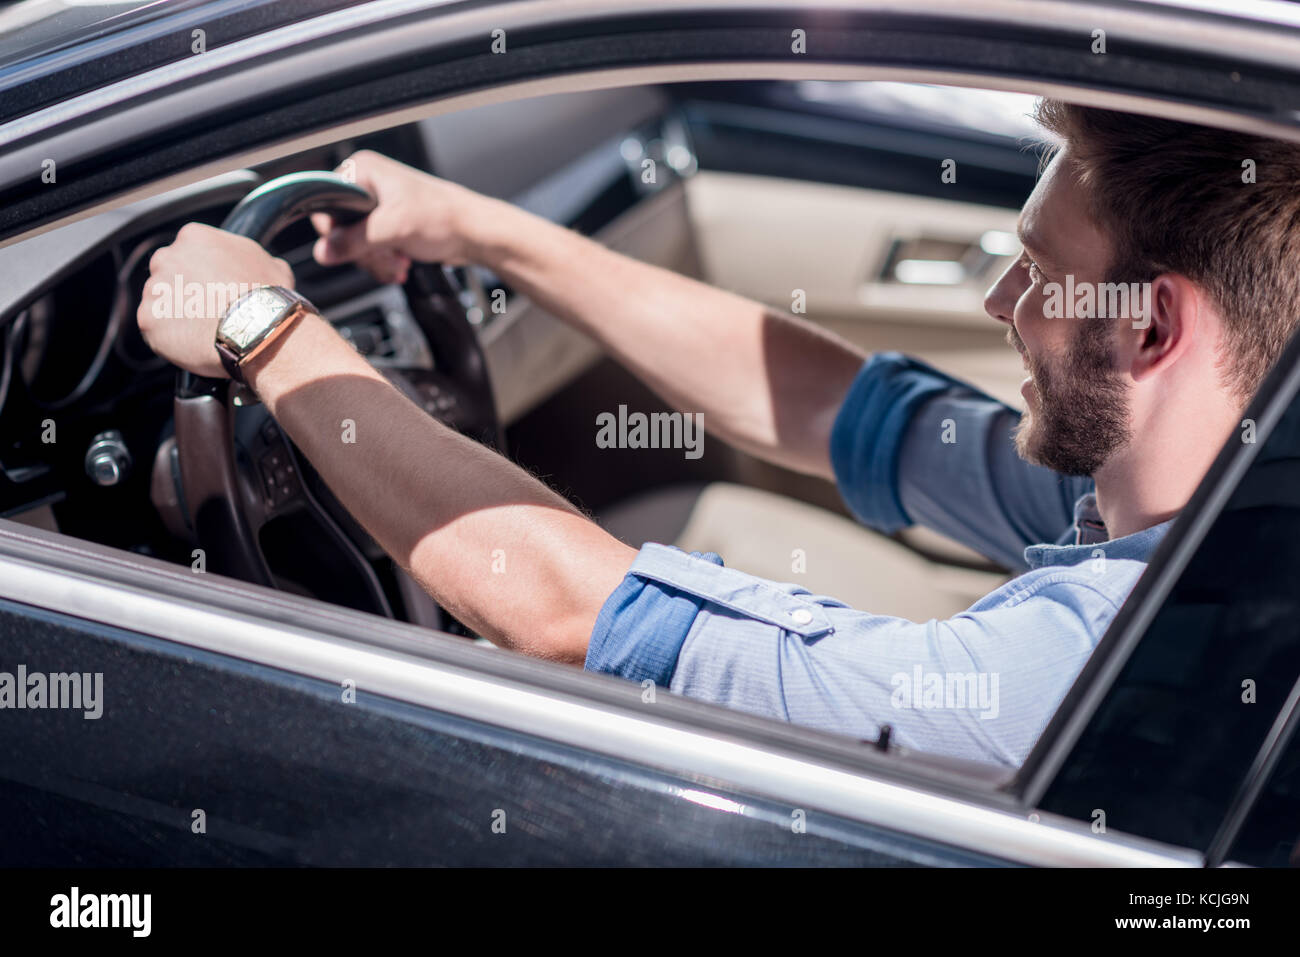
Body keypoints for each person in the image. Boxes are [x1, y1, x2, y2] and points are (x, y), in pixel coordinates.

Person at [137, 99, 1300, 766]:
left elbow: (564, 616)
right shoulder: (1205, 505)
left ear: (1148, 325)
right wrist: (482, 231)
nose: (1000, 306)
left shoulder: (1080, 668)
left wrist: (260, 327)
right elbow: (847, 415)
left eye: (1040, 274)